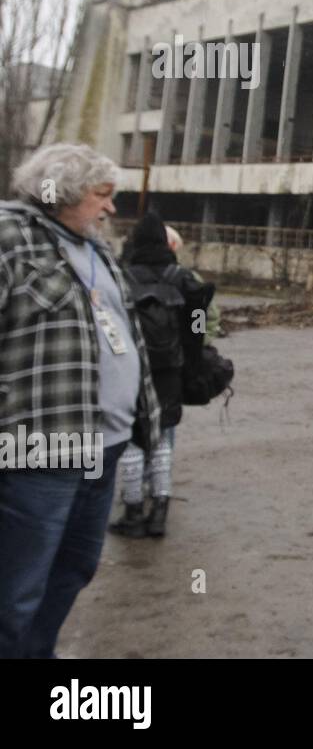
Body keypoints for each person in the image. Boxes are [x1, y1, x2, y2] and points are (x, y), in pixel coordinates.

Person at [0, 143, 162, 658]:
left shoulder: (94, 247)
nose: (111, 207)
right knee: (15, 589)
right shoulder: (9, 236)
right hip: (39, 453)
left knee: (73, 569)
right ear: (64, 192)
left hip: (107, 447)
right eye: (102, 195)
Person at [109, 212, 212, 539]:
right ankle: (160, 512)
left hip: (130, 368)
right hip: (170, 368)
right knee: (163, 436)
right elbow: (198, 321)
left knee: (131, 437)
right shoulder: (180, 276)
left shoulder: (122, 276)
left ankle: (133, 510)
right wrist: (192, 358)